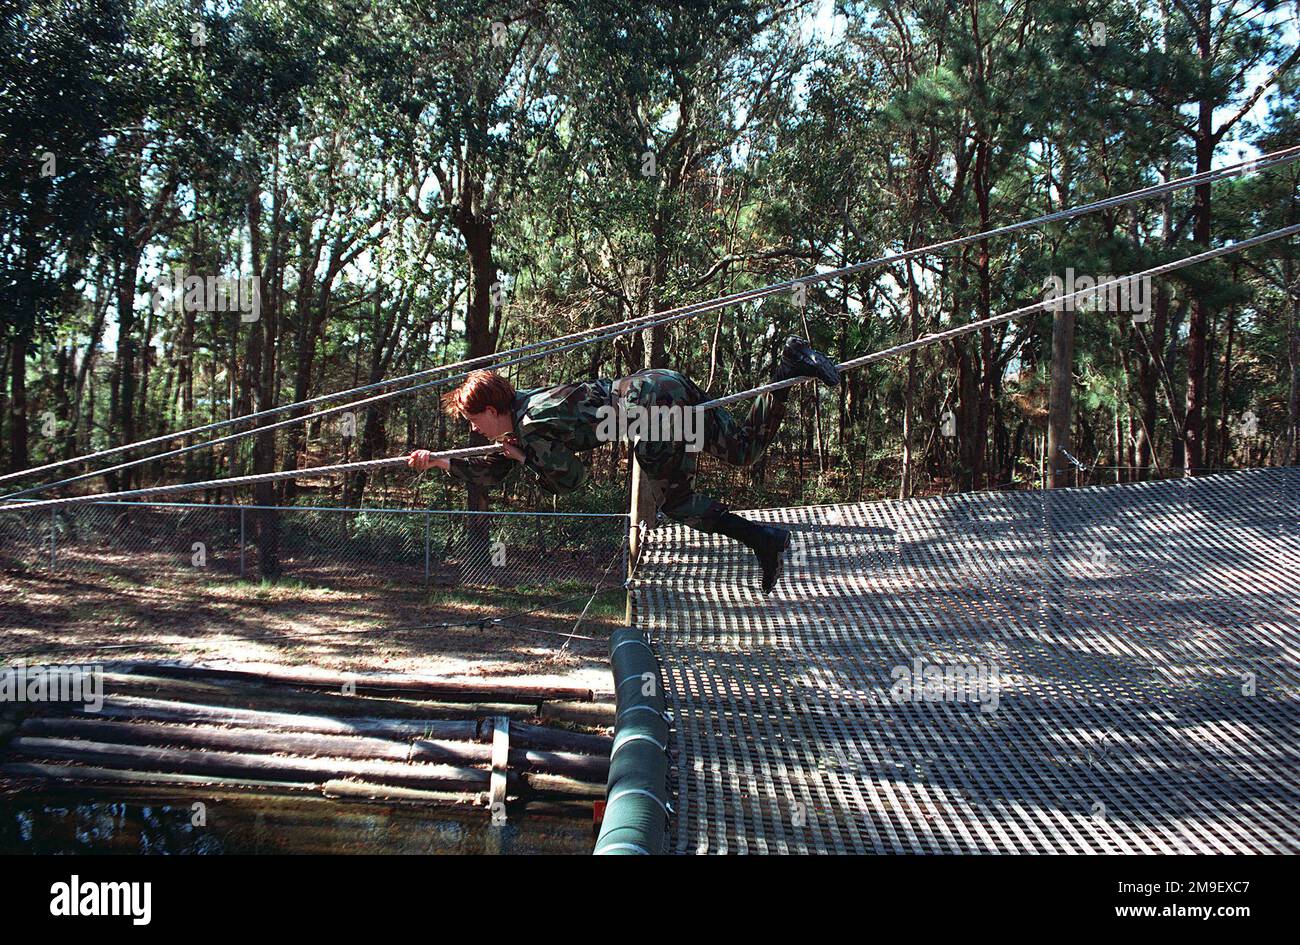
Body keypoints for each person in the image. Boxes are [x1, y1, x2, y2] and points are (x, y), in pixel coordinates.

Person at [408, 337, 840, 593]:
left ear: (489, 408)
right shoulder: (526, 407)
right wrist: (441, 463)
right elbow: (496, 470)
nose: (475, 429)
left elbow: (572, 480)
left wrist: (524, 459)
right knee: (745, 450)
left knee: (676, 501)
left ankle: (762, 539)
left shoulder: (529, 425)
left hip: (644, 410)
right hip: (660, 384)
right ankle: (789, 366)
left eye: (473, 419)